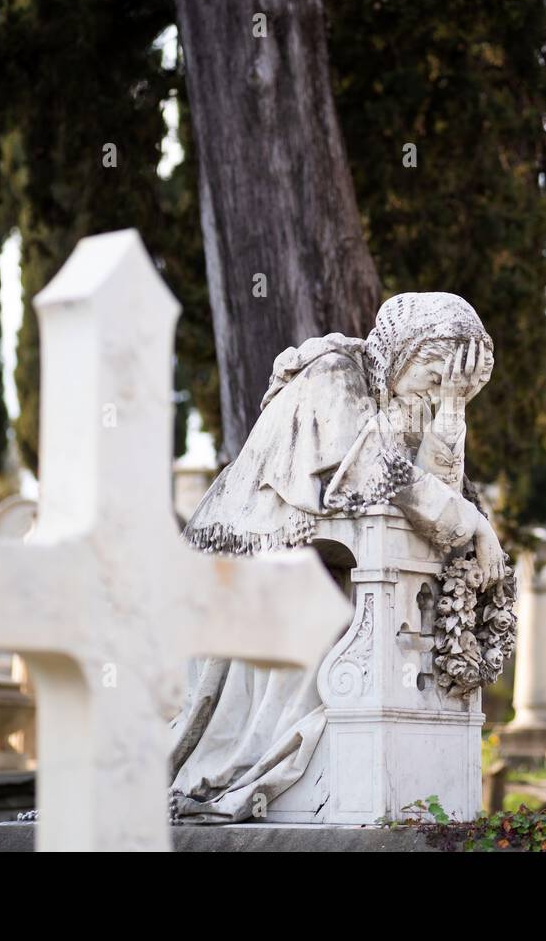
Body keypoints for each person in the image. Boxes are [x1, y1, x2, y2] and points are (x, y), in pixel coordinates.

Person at [169, 292, 502, 822]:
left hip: (308, 567)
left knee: (351, 622)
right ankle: (242, 769)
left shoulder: (400, 404)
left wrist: (452, 413)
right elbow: (373, 473)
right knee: (332, 623)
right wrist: (471, 524)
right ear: (403, 348)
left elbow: (434, 495)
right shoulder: (334, 373)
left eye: (450, 385)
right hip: (241, 571)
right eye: (434, 374)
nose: (435, 391)